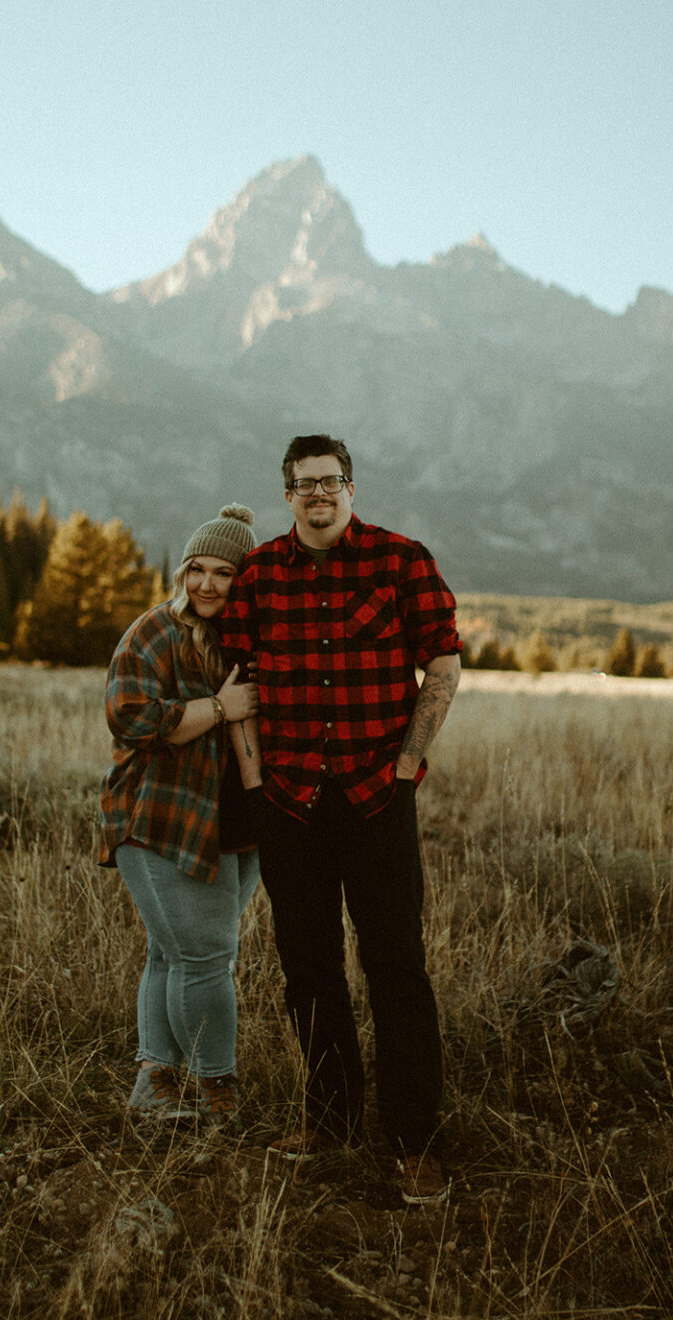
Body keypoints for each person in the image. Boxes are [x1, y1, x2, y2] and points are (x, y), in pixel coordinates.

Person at [221, 435, 462, 1202]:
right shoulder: (259, 575)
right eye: (305, 484)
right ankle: (330, 1118)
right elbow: (240, 683)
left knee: (396, 965)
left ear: (351, 489)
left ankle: (413, 1139)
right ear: (287, 496)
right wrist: (256, 787)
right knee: (309, 968)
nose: (319, 494)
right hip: (289, 802)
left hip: (376, 798)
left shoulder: (401, 561)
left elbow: (443, 663)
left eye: (331, 482)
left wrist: (406, 763)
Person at [99, 504, 261, 1129]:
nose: (206, 585)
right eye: (197, 569)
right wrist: (217, 708)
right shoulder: (156, 631)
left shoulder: (244, 637)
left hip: (237, 823)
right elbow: (129, 718)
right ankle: (216, 1086)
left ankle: (154, 1083)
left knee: (176, 954)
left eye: (224, 573)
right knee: (205, 956)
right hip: (162, 817)